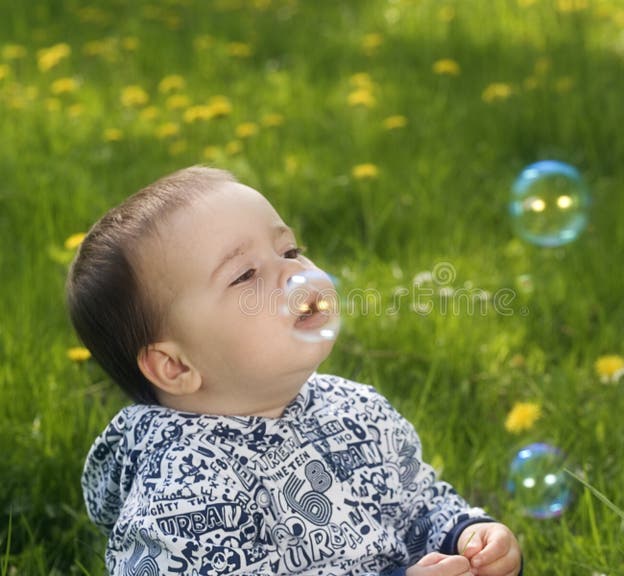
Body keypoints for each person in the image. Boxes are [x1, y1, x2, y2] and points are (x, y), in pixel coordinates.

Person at [67, 166, 523, 576]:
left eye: (289, 248)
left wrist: (465, 536)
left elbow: (415, 504)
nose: (292, 273)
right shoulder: (183, 498)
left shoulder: (355, 410)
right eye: (245, 275)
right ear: (176, 365)